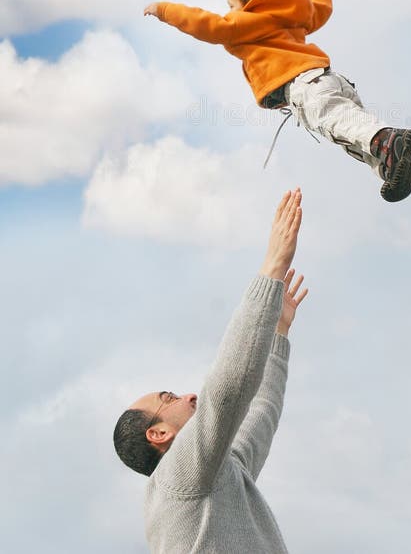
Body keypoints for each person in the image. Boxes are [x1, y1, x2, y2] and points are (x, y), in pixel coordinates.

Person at [113, 189, 307, 554]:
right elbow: (227, 390)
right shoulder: (176, 477)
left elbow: (260, 411)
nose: (188, 396)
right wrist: (272, 268)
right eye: (168, 398)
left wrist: (278, 334)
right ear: (158, 433)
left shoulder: (223, 470)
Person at [144, 0, 411, 203]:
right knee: (344, 132)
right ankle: (394, 167)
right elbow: (320, 9)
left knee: (338, 124)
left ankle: (386, 140)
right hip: (328, 79)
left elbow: (211, 26)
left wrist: (166, 10)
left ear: (252, 2)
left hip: (305, 86)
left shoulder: (248, 21)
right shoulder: (294, 14)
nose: (230, 12)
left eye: (232, 5)